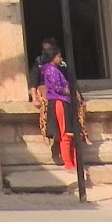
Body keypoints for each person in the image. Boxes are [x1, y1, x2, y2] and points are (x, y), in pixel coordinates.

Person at [28, 39, 84, 171]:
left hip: (65, 101)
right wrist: (70, 91)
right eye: (58, 56)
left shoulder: (59, 68)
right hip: (59, 101)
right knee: (66, 134)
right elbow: (57, 87)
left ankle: (75, 163)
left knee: (72, 134)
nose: (61, 58)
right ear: (52, 57)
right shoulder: (50, 70)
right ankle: (69, 163)